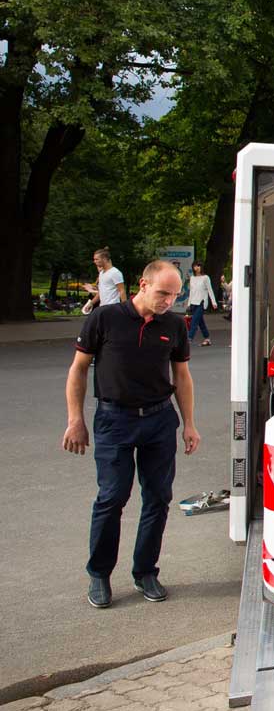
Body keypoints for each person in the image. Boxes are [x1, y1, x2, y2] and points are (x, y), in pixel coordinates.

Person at [62, 261, 201, 608]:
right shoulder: (105, 318)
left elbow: (181, 376)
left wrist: (189, 424)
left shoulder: (174, 325)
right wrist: (74, 420)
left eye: (175, 294)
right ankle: (99, 574)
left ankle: (145, 572)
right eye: (163, 293)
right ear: (142, 284)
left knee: (158, 498)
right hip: (114, 420)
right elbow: (78, 370)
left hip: (158, 420)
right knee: (112, 498)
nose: (169, 300)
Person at [185, 261, 218, 347]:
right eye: (195, 266)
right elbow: (191, 292)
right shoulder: (192, 278)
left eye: (198, 266)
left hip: (201, 302)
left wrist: (214, 302)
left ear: (201, 267)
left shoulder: (205, 278)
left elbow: (210, 290)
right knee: (200, 322)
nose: (197, 268)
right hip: (193, 303)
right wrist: (188, 304)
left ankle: (189, 339)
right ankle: (207, 339)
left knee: (194, 321)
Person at [84, 248, 127, 312]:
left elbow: (122, 291)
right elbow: (100, 293)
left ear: (104, 259)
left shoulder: (115, 273)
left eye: (96, 259)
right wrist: (91, 303)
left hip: (112, 308)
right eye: (94, 259)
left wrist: (125, 309)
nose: (94, 261)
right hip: (102, 308)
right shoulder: (101, 273)